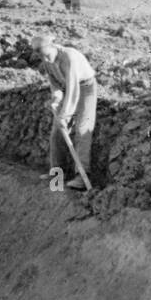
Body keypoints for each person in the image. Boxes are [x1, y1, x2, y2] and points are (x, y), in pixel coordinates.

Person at [32, 32, 97, 189]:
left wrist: (65, 114)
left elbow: (74, 89)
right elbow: (55, 84)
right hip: (68, 89)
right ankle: (57, 174)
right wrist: (56, 98)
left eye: (46, 55)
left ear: (52, 47)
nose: (45, 60)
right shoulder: (47, 61)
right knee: (57, 131)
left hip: (86, 88)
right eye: (41, 57)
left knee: (82, 130)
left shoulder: (69, 57)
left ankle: (82, 177)